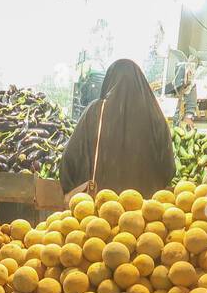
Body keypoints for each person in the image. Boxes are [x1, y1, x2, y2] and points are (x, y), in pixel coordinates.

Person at [59, 58, 175, 197]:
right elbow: (168, 169)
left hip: (99, 209)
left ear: (109, 82)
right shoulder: (156, 117)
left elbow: (70, 160)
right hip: (146, 212)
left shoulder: (96, 111)